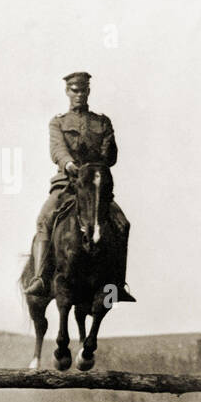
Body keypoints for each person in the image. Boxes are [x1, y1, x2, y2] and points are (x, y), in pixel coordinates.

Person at [24, 71, 136, 301]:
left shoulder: (102, 122)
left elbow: (111, 157)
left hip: (94, 187)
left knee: (122, 224)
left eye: (83, 90)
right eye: (75, 90)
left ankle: (117, 284)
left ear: (88, 91)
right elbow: (57, 150)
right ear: (67, 91)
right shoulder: (58, 122)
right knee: (44, 219)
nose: (79, 94)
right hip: (67, 184)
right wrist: (69, 164)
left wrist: (104, 155)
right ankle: (40, 278)